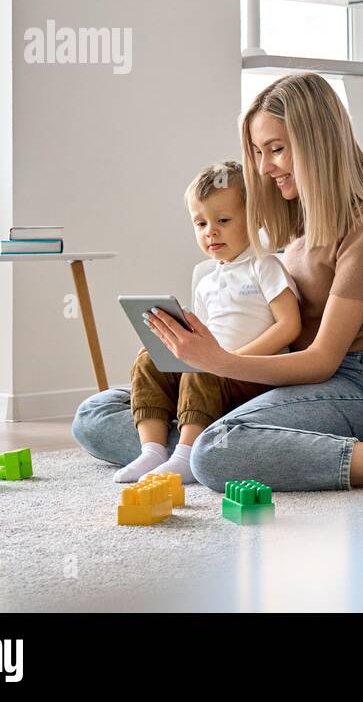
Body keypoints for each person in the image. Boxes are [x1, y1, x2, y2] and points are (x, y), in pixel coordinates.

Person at [73, 73, 363, 495]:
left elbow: (322, 362)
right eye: (257, 151)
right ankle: (207, 447)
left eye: (276, 149)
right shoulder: (296, 216)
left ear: (316, 142)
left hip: (353, 385)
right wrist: (191, 356)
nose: (265, 166)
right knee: (95, 414)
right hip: (278, 383)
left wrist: (219, 361)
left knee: (217, 451)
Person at [113, 160, 301, 485]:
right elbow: (203, 337)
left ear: (254, 219)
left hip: (252, 375)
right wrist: (173, 346)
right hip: (215, 373)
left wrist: (232, 361)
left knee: (202, 368)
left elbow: (289, 326)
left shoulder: (264, 266)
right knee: (147, 361)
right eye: (200, 224)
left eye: (223, 221)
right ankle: (152, 451)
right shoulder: (205, 281)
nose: (210, 231)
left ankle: (186, 455)